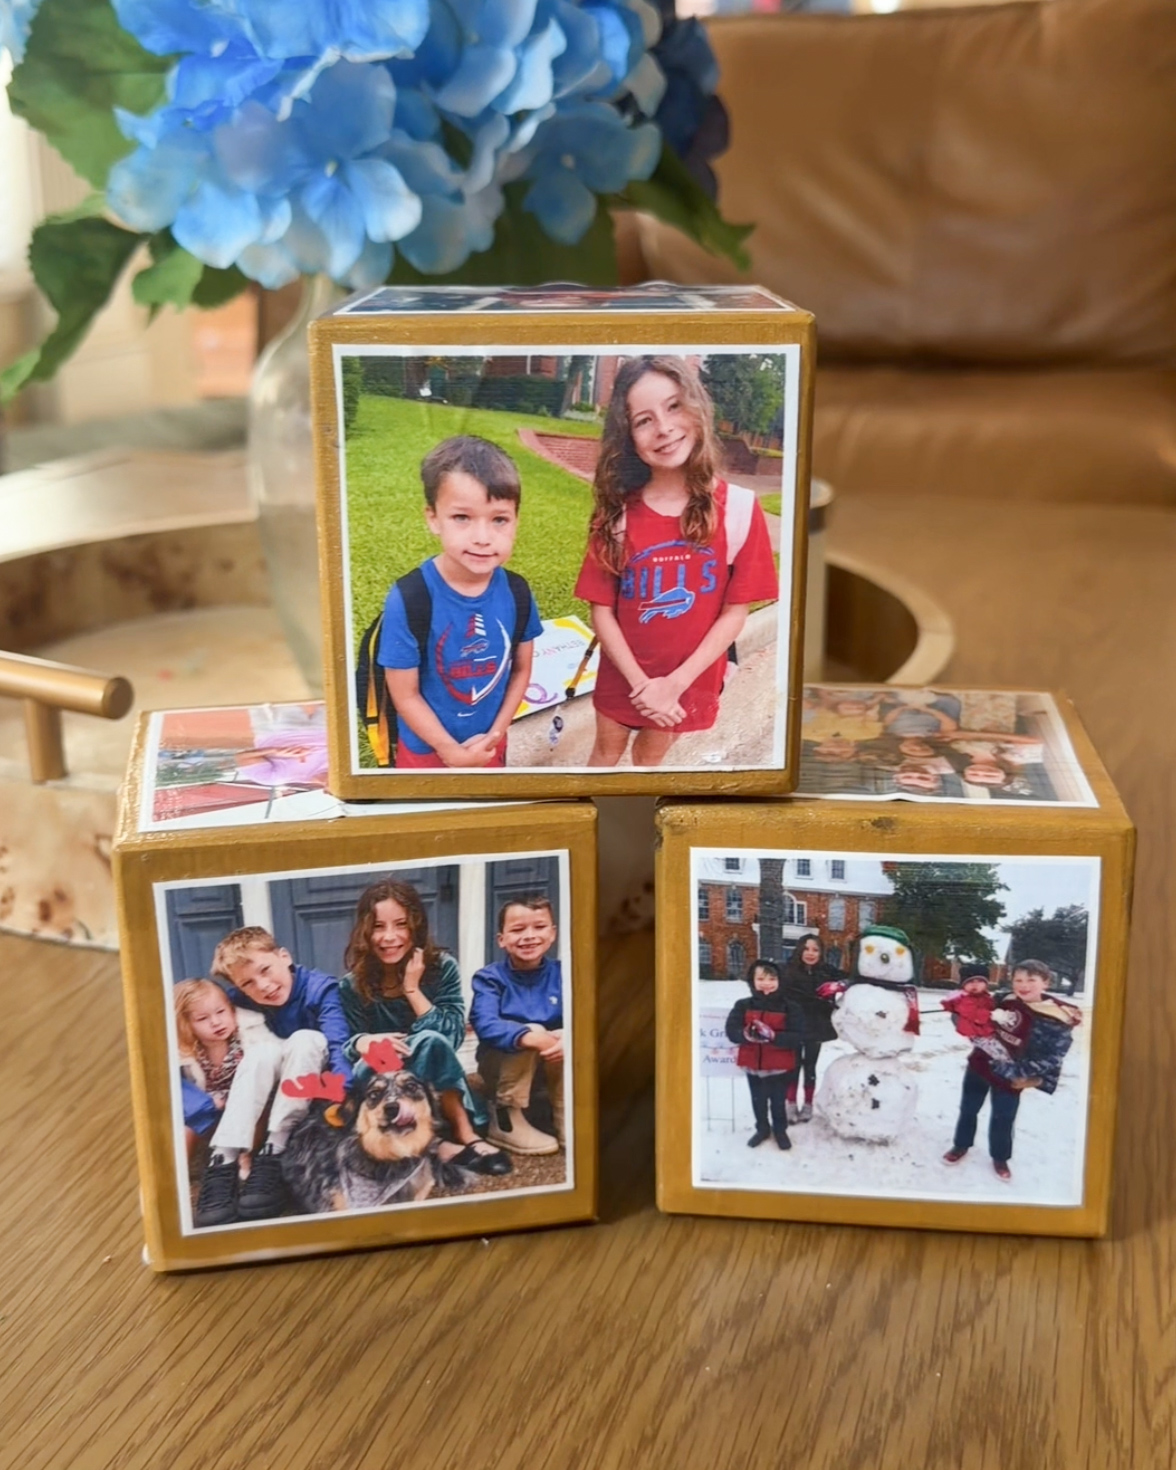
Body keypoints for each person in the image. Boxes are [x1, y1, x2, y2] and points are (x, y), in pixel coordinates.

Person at [574, 355, 778, 768]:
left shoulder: (738, 508)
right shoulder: (617, 513)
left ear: (697, 408)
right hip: (624, 675)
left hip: (686, 679)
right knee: (604, 756)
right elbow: (602, 611)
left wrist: (673, 685)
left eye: (673, 406)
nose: (664, 428)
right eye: (643, 420)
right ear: (628, 435)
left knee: (649, 764)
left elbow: (735, 612)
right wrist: (640, 684)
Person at [379, 435, 542, 769]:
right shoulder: (410, 598)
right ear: (433, 518)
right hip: (426, 750)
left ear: (516, 521)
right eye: (462, 518)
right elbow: (404, 694)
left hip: (489, 745)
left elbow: (522, 670)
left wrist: (495, 736)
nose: (482, 537)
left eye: (499, 519)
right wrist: (448, 750)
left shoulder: (518, 592)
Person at [339, 878, 511, 1176]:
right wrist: (362, 1042)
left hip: (434, 1078)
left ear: (415, 926)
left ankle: (464, 1133)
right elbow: (343, 1043)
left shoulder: (442, 967)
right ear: (365, 932)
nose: (389, 937)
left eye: (400, 924)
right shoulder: (352, 984)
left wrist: (412, 989)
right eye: (378, 927)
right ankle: (434, 1145)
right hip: (380, 1082)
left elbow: (451, 1036)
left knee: (430, 1039)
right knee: (377, 1063)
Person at [193, 928, 353, 1227]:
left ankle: (274, 1150)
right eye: (248, 983)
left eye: (265, 970)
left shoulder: (321, 989)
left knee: (305, 1038)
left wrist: (342, 1093)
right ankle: (223, 1159)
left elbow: (337, 1044)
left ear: (284, 957)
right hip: (272, 1082)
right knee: (262, 1052)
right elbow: (204, 1006)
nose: (263, 986)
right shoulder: (240, 998)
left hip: (316, 1080)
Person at [943, 959, 1082, 1181]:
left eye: (1031, 980)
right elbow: (971, 1007)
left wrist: (1019, 1072)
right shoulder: (1003, 1000)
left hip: (1012, 1076)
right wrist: (960, 1016)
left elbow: (1054, 1057)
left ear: (1045, 983)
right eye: (1018, 979)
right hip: (980, 1065)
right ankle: (961, 1145)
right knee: (968, 1109)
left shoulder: (1056, 1018)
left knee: (1003, 1117)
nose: (1023, 985)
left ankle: (1000, 1158)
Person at [470, 896, 564, 1155]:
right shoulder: (489, 978)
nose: (529, 936)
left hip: (551, 1068)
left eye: (539, 927)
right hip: (501, 1071)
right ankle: (506, 1120)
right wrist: (528, 1036)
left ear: (553, 933)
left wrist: (570, 1035)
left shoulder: (564, 974)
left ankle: (565, 1114)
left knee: (572, 1035)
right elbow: (485, 1024)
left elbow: (587, 1014)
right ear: (502, 939)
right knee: (530, 1030)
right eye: (518, 929)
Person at [174, 978, 270, 1163]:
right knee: (186, 1129)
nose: (216, 1022)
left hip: (247, 1102)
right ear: (186, 1025)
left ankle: (245, 1160)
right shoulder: (184, 1052)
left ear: (231, 1010)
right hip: (207, 1108)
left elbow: (269, 1065)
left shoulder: (251, 1036)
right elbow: (174, 1087)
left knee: (257, 1113)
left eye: (221, 1012)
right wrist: (206, 1103)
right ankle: (176, 1174)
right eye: (203, 1019)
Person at [724, 959, 803, 1151]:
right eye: (760, 978)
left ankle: (780, 1130)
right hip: (753, 1064)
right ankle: (762, 1129)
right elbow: (731, 1031)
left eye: (771, 978)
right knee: (758, 1100)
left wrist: (774, 1036)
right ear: (752, 980)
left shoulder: (790, 1007)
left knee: (778, 1102)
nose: (766, 983)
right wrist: (745, 1035)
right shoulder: (743, 1005)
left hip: (779, 1066)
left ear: (779, 981)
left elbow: (797, 1036)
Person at [778, 934, 840, 1122]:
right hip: (794, 1026)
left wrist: (836, 987)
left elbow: (851, 980)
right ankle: (790, 1103)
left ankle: (808, 1104)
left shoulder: (827, 972)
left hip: (817, 1026)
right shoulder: (786, 970)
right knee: (792, 1066)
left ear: (821, 953)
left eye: (815, 949)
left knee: (810, 1066)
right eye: (806, 949)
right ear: (799, 950)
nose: (810, 953)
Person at [940, 963, 996, 1039]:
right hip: (974, 1032)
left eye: (980, 981)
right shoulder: (962, 999)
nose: (975, 984)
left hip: (982, 1030)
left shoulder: (984, 996)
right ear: (963, 985)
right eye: (970, 981)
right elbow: (974, 1013)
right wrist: (993, 1015)